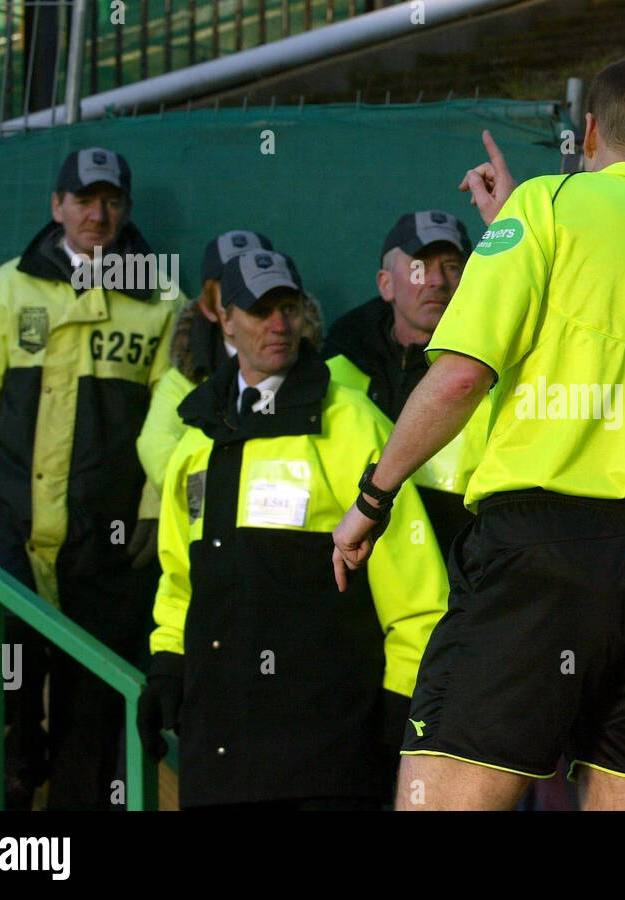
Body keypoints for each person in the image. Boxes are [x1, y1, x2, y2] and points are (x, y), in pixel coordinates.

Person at [332, 52, 625, 811]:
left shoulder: (549, 207)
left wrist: (373, 497)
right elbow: (619, 301)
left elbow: (462, 375)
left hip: (541, 552)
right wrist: (517, 233)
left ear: (589, 130)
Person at [138, 250, 448, 810]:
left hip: (329, 756)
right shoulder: (197, 441)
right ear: (223, 317)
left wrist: (400, 700)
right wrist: (166, 667)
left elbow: (414, 583)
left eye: (288, 307)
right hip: (219, 755)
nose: (279, 324)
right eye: (260, 310)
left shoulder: (351, 420)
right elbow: (181, 581)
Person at [0, 146, 181, 809]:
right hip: (8, 531)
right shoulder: (7, 289)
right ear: (56, 206)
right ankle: (10, 791)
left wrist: (158, 507)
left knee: (95, 706)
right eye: (84, 200)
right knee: (3, 685)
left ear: (125, 210)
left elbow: (178, 417)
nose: (97, 214)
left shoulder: (161, 298)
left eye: (111, 202)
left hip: (110, 541)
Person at [322, 211, 488, 554]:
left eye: (453, 267)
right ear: (385, 284)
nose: (437, 281)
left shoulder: (496, 374)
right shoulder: (334, 373)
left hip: (460, 579)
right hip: (349, 575)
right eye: (419, 267)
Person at [136, 230, 323, 499]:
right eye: (230, 282)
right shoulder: (185, 378)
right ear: (216, 310)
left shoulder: (313, 373)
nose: (245, 288)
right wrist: (232, 500)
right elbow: (158, 453)